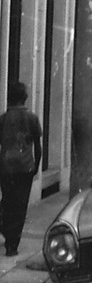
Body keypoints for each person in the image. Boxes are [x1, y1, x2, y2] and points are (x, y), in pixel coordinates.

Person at [0, 82, 43, 257]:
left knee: (8, 201)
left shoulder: (2, 119)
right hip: (25, 167)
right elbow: (38, 147)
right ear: (24, 98)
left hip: (6, 166)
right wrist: (36, 166)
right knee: (20, 206)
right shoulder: (32, 119)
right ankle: (12, 245)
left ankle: (7, 232)